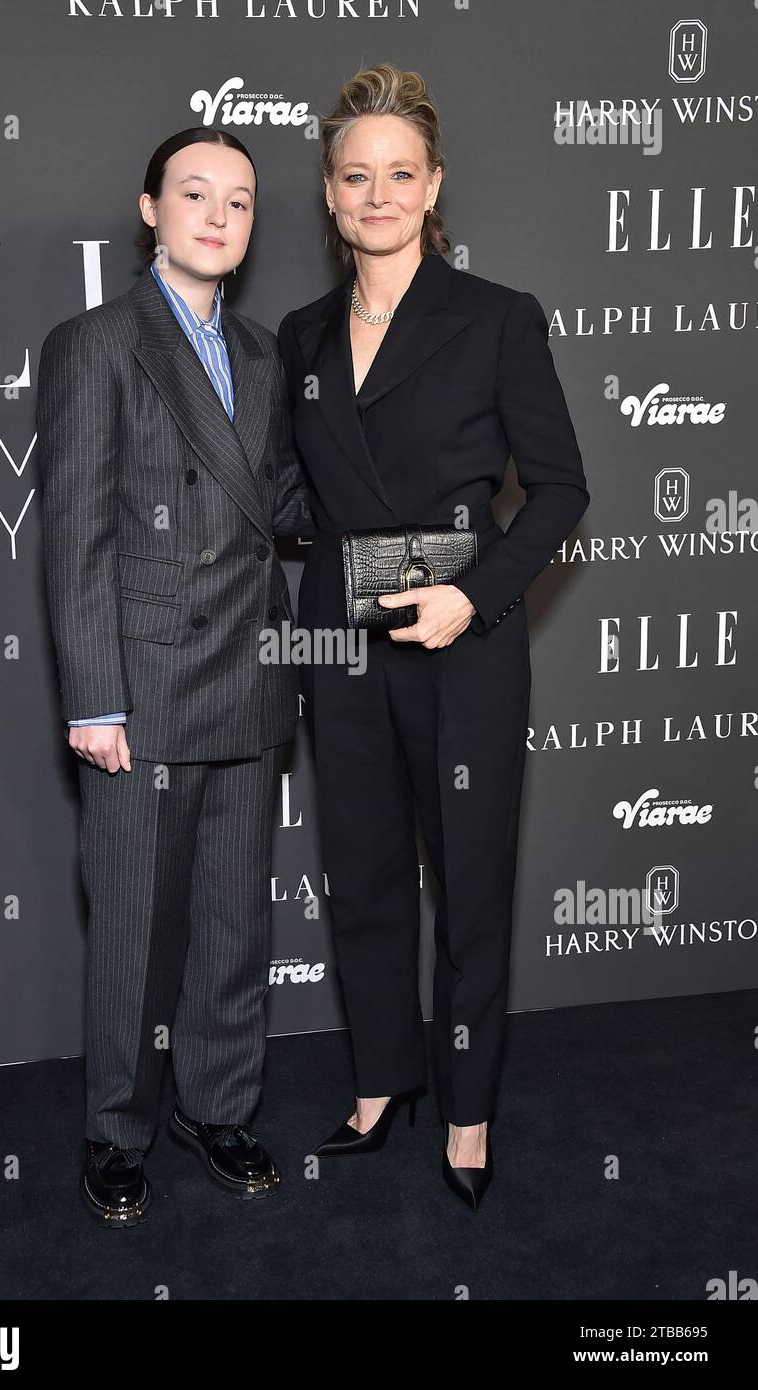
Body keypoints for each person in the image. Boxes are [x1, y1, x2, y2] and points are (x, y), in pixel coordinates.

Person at [277, 64, 589, 1209]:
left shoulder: (496, 317)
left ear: (432, 185)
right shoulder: (299, 335)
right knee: (357, 872)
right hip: (341, 639)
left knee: (465, 879)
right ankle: (377, 1080)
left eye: (397, 173)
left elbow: (558, 490)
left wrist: (476, 596)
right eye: (355, 175)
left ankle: (464, 1107)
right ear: (327, 191)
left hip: (462, 635)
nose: (376, 193)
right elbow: (292, 496)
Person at [36, 128, 311, 1226]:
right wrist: (95, 696)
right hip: (143, 691)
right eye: (193, 193)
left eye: (238, 201)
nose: (216, 214)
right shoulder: (96, 343)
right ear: (149, 208)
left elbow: (285, 504)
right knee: (138, 937)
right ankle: (116, 1131)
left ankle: (220, 1106)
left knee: (236, 922)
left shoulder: (259, 355)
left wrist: (400, 498)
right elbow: (75, 533)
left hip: (250, 671)